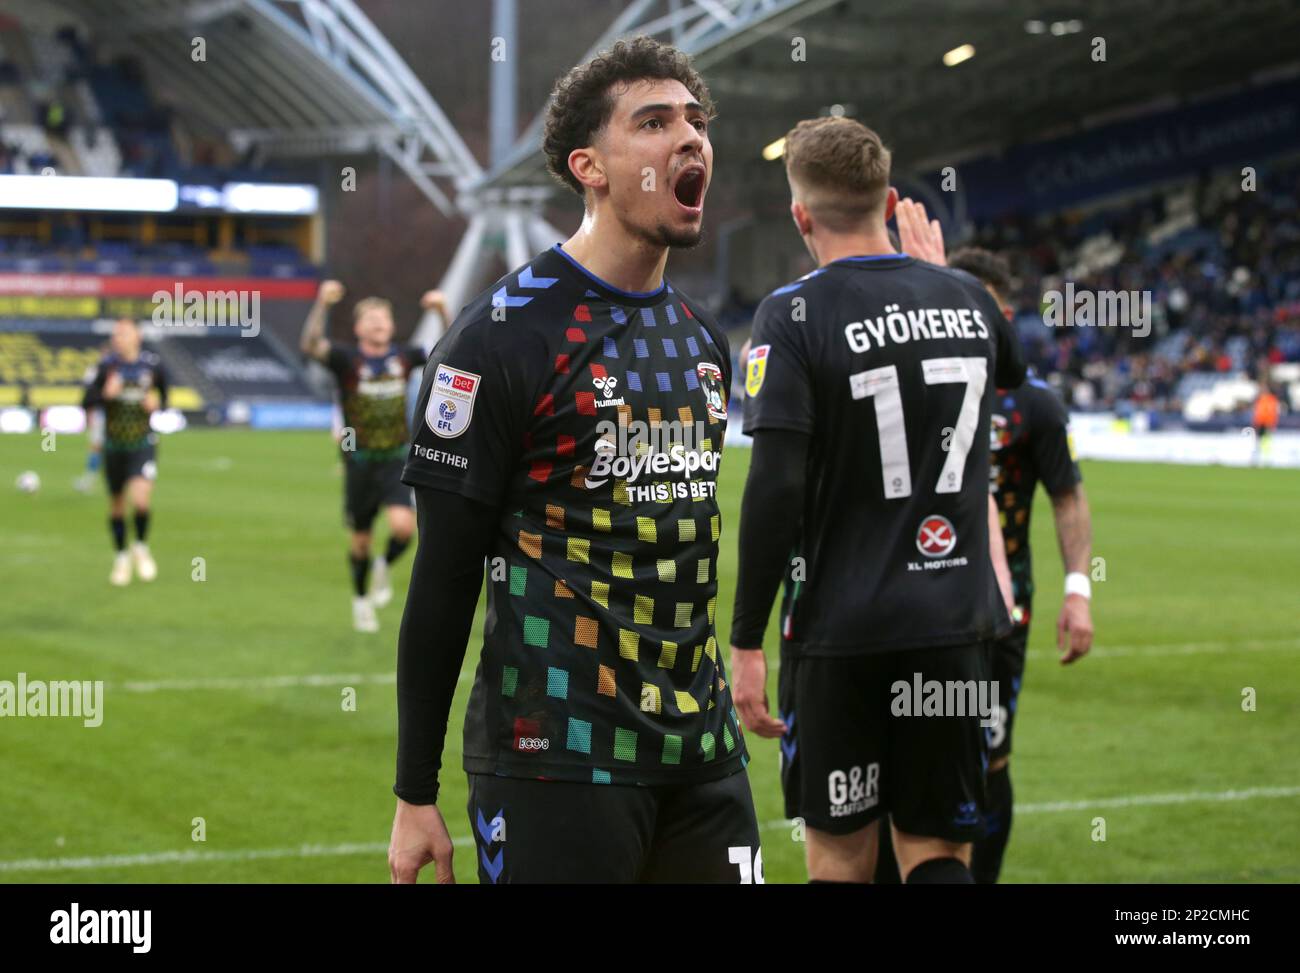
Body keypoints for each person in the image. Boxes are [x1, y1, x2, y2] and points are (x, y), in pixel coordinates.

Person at [387, 36, 759, 884]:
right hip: (556, 753)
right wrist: (415, 792)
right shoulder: (499, 340)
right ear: (589, 165)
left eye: (696, 122)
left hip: (702, 751)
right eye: (656, 121)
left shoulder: (702, 340)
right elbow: (443, 581)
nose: (690, 138)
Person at [729, 117, 1025, 884]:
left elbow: (776, 485)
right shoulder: (967, 300)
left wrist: (745, 637)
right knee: (936, 850)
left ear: (801, 217)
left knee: (840, 859)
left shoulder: (791, 314)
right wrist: (945, 280)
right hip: (954, 624)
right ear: (890, 200)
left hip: (841, 632)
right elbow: (1012, 365)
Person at [300, 282, 444, 632]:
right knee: (360, 540)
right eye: (372, 318)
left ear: (392, 326)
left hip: (396, 456)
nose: (379, 322)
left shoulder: (404, 357)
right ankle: (361, 599)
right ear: (359, 327)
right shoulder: (346, 359)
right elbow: (309, 345)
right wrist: (321, 304)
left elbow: (453, 347)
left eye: (384, 317)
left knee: (403, 528)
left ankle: (384, 565)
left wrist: (441, 310)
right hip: (359, 462)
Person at [82, 319, 168, 586]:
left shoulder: (152, 365)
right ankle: (121, 556)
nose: (118, 338)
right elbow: (86, 400)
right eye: (116, 334)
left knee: (141, 500)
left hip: (142, 444)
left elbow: (165, 398)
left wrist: (158, 403)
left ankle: (140, 547)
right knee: (117, 505)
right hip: (114, 446)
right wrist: (105, 395)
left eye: (124, 333)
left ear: (137, 336)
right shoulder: (106, 366)